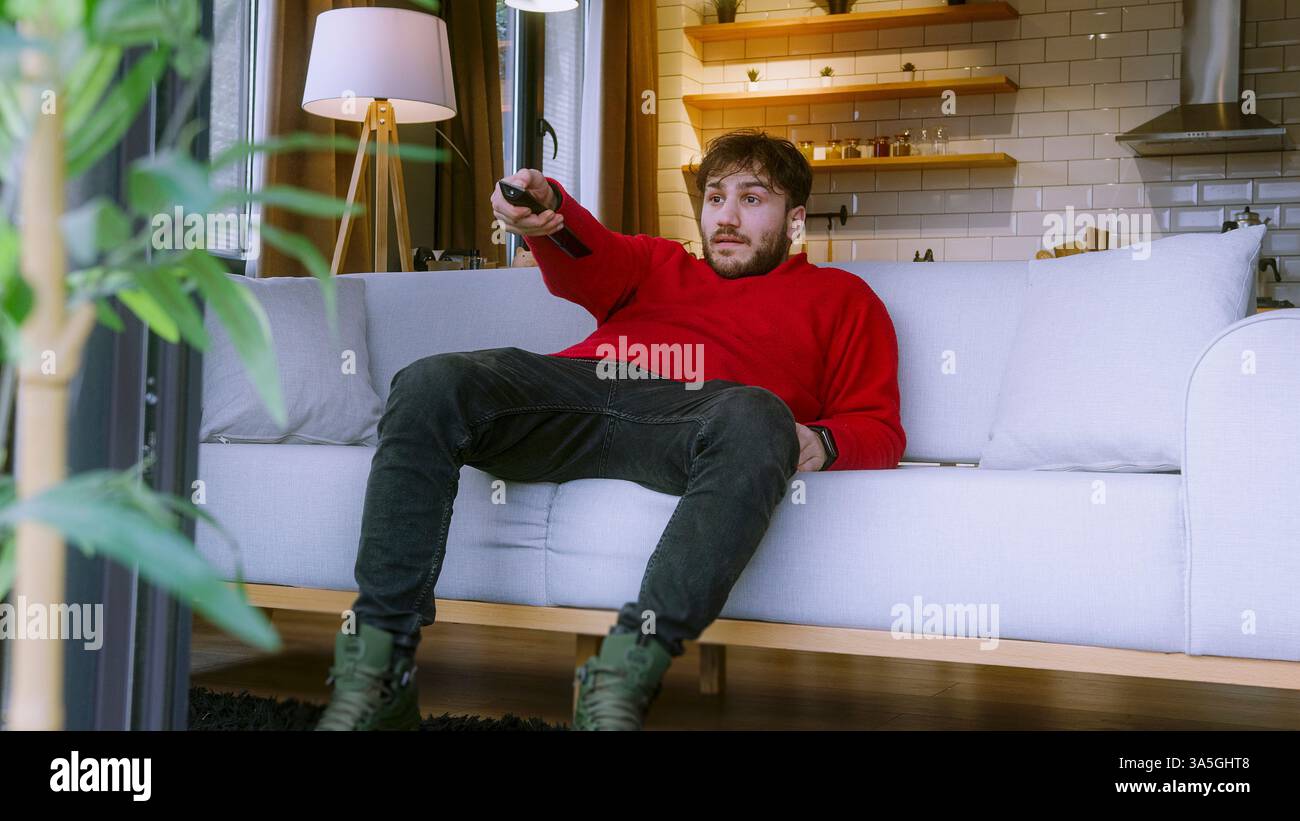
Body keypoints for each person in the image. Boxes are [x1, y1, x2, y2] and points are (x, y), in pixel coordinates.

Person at [315, 128, 906, 731]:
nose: (726, 217)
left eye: (752, 199)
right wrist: (549, 210)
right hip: (581, 388)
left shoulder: (844, 298)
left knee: (761, 415)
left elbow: (879, 428)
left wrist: (823, 440)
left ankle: (622, 677)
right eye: (715, 197)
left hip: (698, 419)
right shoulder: (660, 262)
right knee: (430, 380)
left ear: (796, 218)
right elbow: (588, 255)